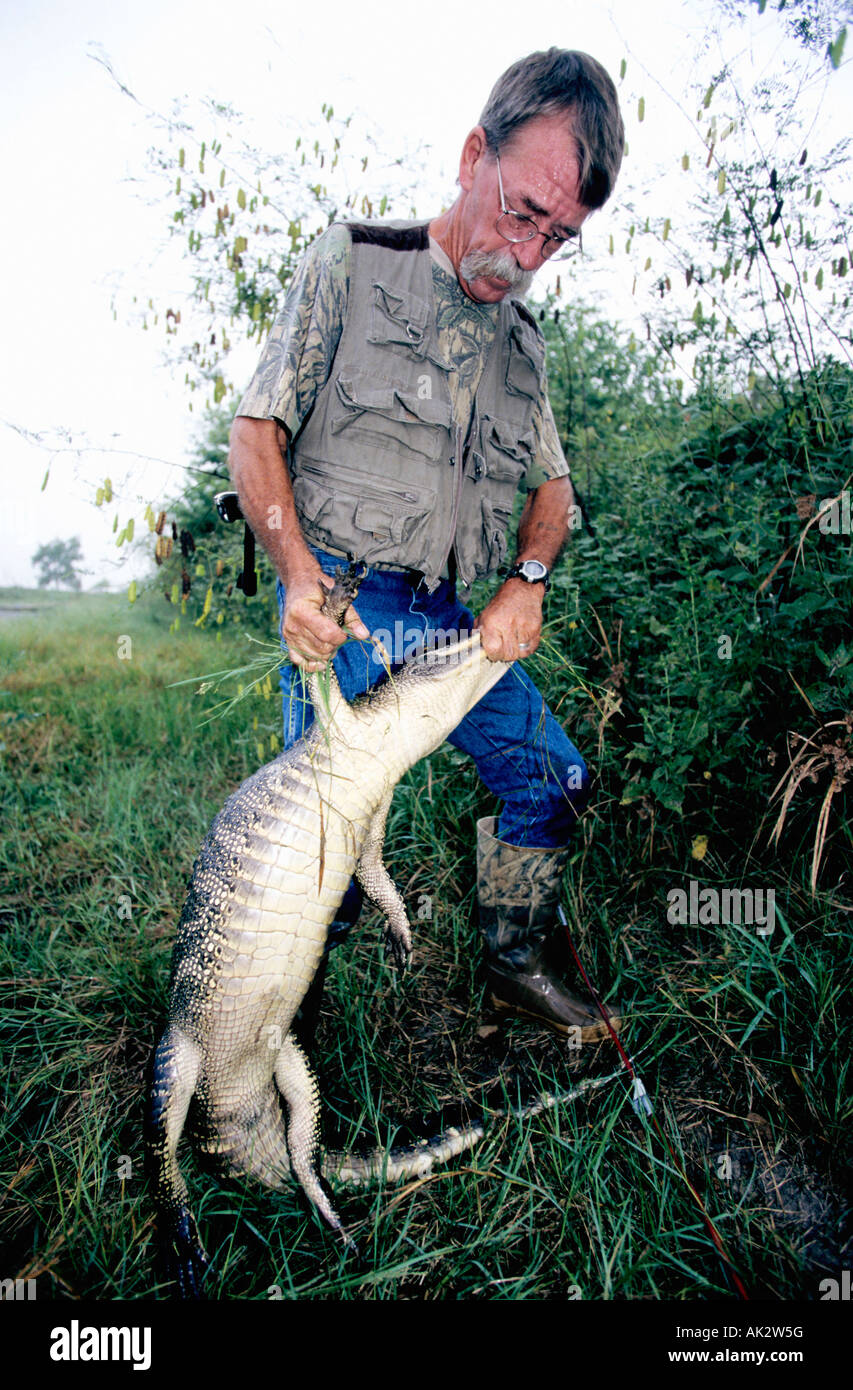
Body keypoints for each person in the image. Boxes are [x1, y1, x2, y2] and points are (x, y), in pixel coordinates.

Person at [228, 48, 625, 1043]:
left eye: (558, 237)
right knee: (328, 854)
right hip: (347, 606)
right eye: (522, 212)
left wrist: (526, 579)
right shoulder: (353, 264)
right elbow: (256, 434)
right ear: (471, 154)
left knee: (554, 781)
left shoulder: (521, 347)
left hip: (451, 625)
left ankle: (511, 960)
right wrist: (297, 578)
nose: (528, 252)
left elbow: (554, 493)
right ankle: (272, 1032)